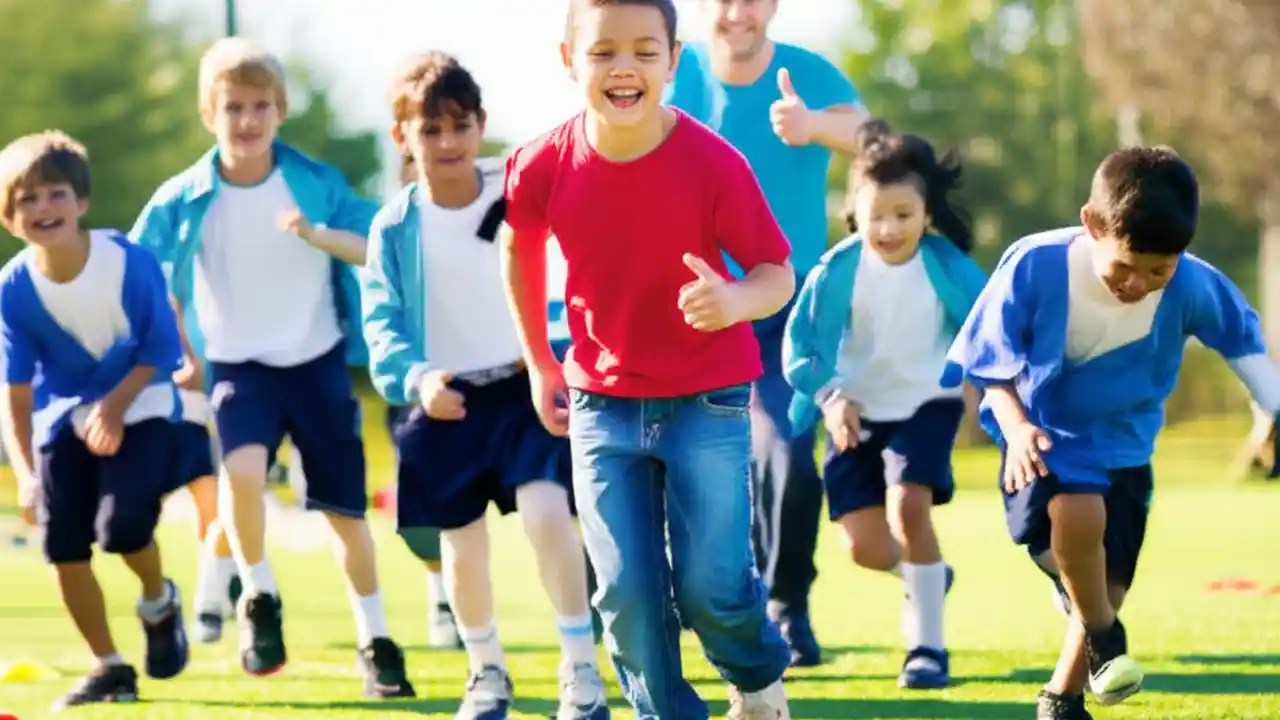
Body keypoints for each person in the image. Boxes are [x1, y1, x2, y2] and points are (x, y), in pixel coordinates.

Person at [502, 1, 795, 717]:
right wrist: (540, 363)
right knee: (626, 595)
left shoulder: (712, 162)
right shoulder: (540, 163)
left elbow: (775, 272)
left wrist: (732, 300)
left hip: (709, 399)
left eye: (643, 50)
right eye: (603, 52)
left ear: (673, 60)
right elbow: (517, 246)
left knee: (712, 587)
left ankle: (757, 686)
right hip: (601, 405)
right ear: (569, 59)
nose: (623, 67)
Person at [942, 146, 1280, 719]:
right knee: (1081, 532)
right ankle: (1100, 627)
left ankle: (1062, 697)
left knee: (1108, 579)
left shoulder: (1191, 285)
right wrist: (1018, 427)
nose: (1138, 284)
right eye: (1124, 267)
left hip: (1125, 448)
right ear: (1093, 224)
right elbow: (988, 367)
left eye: (1158, 271)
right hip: (1040, 441)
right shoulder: (1035, 265)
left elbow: (1244, 346)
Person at [128, 37, 413, 698]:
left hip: (315, 363)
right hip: (236, 365)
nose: (248, 120)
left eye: (261, 106)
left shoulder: (314, 183)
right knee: (243, 473)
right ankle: (257, 596)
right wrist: (178, 348)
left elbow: (375, 245)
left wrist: (315, 234)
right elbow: (139, 272)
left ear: (281, 112)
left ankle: (375, 640)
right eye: (233, 107)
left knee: (345, 512)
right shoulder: (183, 196)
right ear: (209, 115)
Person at [363, 52, 608, 720]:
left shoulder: (519, 186)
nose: (447, 142)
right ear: (402, 138)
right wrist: (416, 380)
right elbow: (380, 325)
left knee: (547, 515)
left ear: (481, 126)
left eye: (460, 126)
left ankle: (581, 670)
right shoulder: (394, 226)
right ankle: (486, 672)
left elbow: (586, 223)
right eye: (430, 129)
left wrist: (561, 358)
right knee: (460, 546)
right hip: (445, 401)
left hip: (528, 389)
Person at [664, 0, 867, 667]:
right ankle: (701, 596)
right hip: (693, 303)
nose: (737, 11)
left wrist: (813, 126)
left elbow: (872, 137)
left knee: (787, 451)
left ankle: (786, 604)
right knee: (696, 458)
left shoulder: (806, 73)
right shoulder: (675, 70)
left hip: (788, 305)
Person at [783, 121, 985, 689]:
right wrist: (831, 396)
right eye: (876, 215)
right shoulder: (834, 272)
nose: (888, 228)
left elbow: (992, 328)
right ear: (853, 212)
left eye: (903, 214)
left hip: (928, 403)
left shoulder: (951, 269)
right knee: (866, 548)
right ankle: (926, 573)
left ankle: (927, 649)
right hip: (855, 411)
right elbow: (801, 350)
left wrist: (985, 389)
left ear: (926, 214)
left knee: (908, 509)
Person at [0, 131, 189, 709]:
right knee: (62, 544)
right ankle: (109, 667)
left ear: (81, 202)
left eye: (54, 193)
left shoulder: (128, 262)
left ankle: (159, 601)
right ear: (9, 219)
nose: (42, 209)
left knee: (124, 528)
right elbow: (15, 390)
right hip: (66, 419)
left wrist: (112, 406)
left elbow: (163, 350)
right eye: (25, 200)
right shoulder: (13, 287)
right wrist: (27, 472)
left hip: (145, 402)